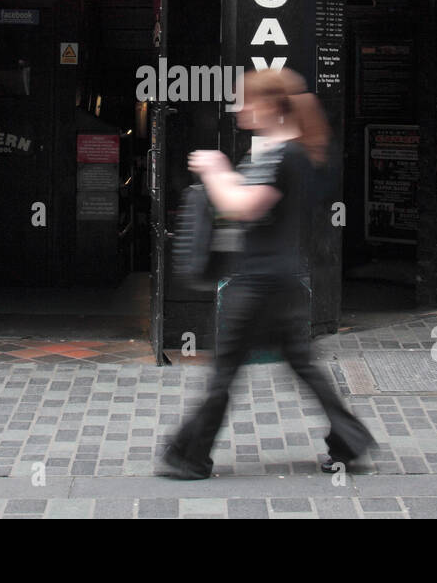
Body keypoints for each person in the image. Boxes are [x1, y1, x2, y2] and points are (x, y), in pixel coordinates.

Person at [160, 67, 375, 479]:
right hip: (273, 282)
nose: (238, 108)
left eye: (245, 100)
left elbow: (243, 208)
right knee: (300, 366)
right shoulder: (278, 150)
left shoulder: (286, 154)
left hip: (259, 285)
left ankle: (189, 456)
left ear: (268, 106)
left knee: (224, 372)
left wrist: (214, 170)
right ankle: (351, 442)